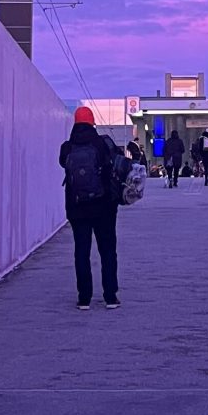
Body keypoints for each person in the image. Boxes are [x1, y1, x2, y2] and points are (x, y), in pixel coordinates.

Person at [59, 105, 124, 309]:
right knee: (107, 250)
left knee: (81, 251)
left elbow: (63, 164)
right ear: (92, 121)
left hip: (78, 208)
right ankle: (110, 297)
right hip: (104, 207)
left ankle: (84, 298)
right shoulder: (103, 143)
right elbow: (117, 164)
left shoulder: (67, 148)